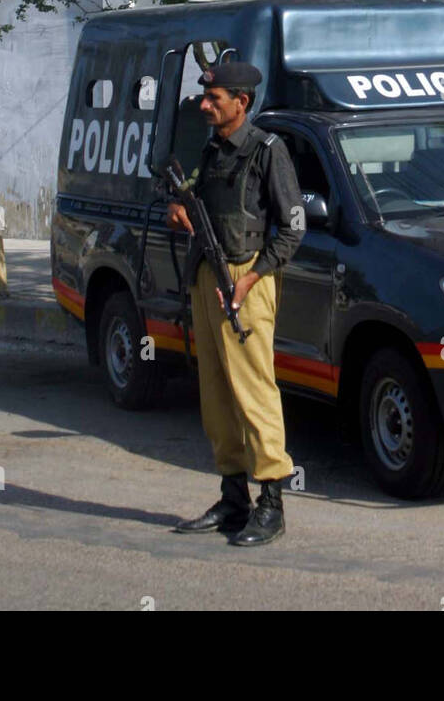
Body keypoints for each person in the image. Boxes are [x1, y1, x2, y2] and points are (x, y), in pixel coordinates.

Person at [167, 61, 306, 544]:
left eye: (215, 98)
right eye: (206, 97)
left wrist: (254, 278)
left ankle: (271, 502)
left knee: (253, 389)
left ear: (241, 103)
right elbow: (198, 204)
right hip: (208, 274)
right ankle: (233, 498)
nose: (205, 105)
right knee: (216, 390)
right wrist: (180, 211)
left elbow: (293, 227)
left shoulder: (268, 151)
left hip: (246, 278)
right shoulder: (211, 149)